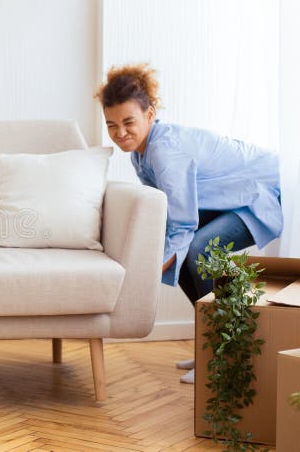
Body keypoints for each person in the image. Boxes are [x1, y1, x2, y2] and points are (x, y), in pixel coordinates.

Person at [95, 64, 282, 384]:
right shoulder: (140, 154)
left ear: (149, 114)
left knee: (197, 250)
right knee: (181, 259)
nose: (120, 133)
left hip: (259, 197)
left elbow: (182, 225)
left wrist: (145, 271)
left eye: (128, 122)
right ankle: (213, 348)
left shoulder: (165, 152)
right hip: (229, 201)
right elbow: (170, 216)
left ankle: (222, 357)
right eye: (112, 125)